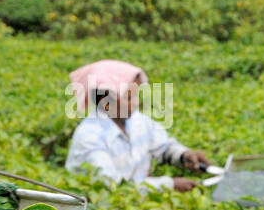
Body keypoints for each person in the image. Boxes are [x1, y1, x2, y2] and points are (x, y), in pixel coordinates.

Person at [64, 59, 209, 192]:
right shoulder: (89, 136)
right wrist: (169, 184)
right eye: (128, 97)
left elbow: (163, 147)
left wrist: (184, 155)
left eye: (136, 95)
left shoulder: (138, 121)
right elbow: (111, 186)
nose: (136, 102)